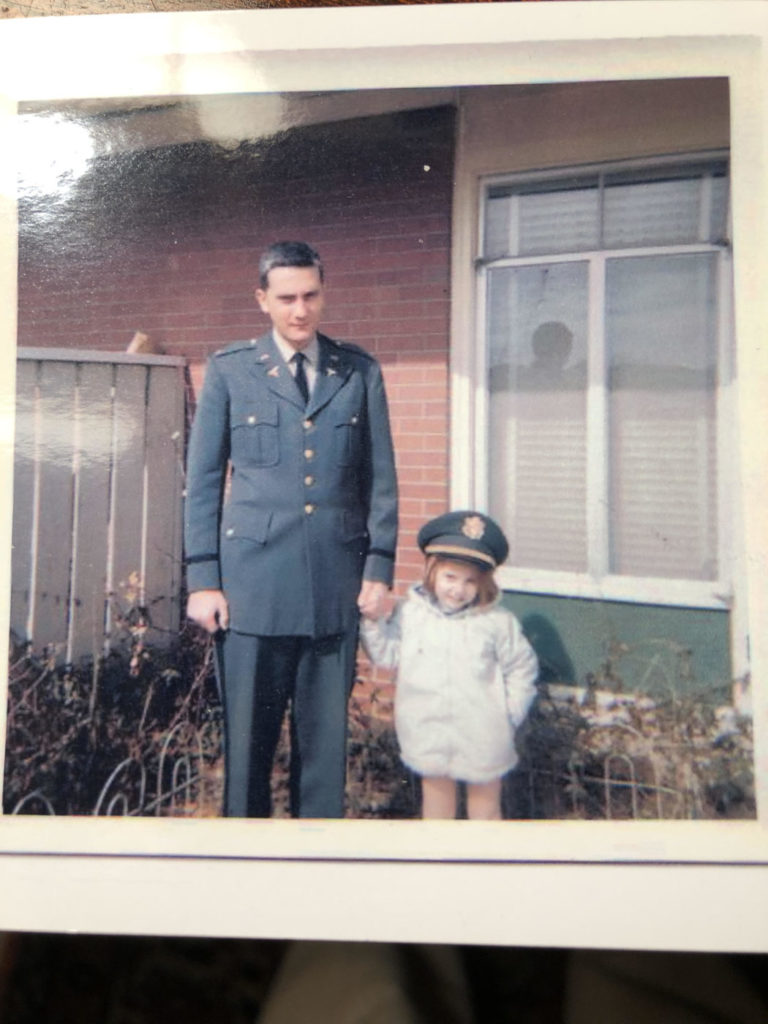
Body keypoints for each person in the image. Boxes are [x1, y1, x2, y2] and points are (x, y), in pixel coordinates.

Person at [184, 240, 398, 818]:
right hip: (252, 592)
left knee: (325, 757)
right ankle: (246, 861)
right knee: (247, 751)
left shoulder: (357, 371)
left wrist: (378, 569)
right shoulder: (231, 371)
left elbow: (380, 480)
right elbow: (203, 482)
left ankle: (317, 863)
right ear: (262, 300)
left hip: (333, 587)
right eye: (286, 298)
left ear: (323, 295)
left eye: (310, 296)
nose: (300, 310)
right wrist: (203, 580)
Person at [360, 511, 538, 820]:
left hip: (484, 733)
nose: (458, 589)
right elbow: (388, 654)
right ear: (432, 572)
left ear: (483, 582)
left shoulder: (496, 622)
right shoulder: (411, 614)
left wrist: (509, 714)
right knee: (437, 811)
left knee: (485, 811)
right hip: (428, 731)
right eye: (450, 578)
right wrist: (373, 624)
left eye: (470, 581)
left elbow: (522, 668)